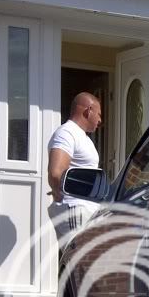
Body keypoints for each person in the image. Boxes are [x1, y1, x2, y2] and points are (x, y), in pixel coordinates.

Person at [47, 92, 102, 241]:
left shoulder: (81, 136)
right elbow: (55, 173)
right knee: (80, 261)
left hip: (83, 209)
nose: (100, 120)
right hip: (74, 209)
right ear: (88, 111)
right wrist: (60, 193)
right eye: (98, 114)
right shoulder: (66, 133)